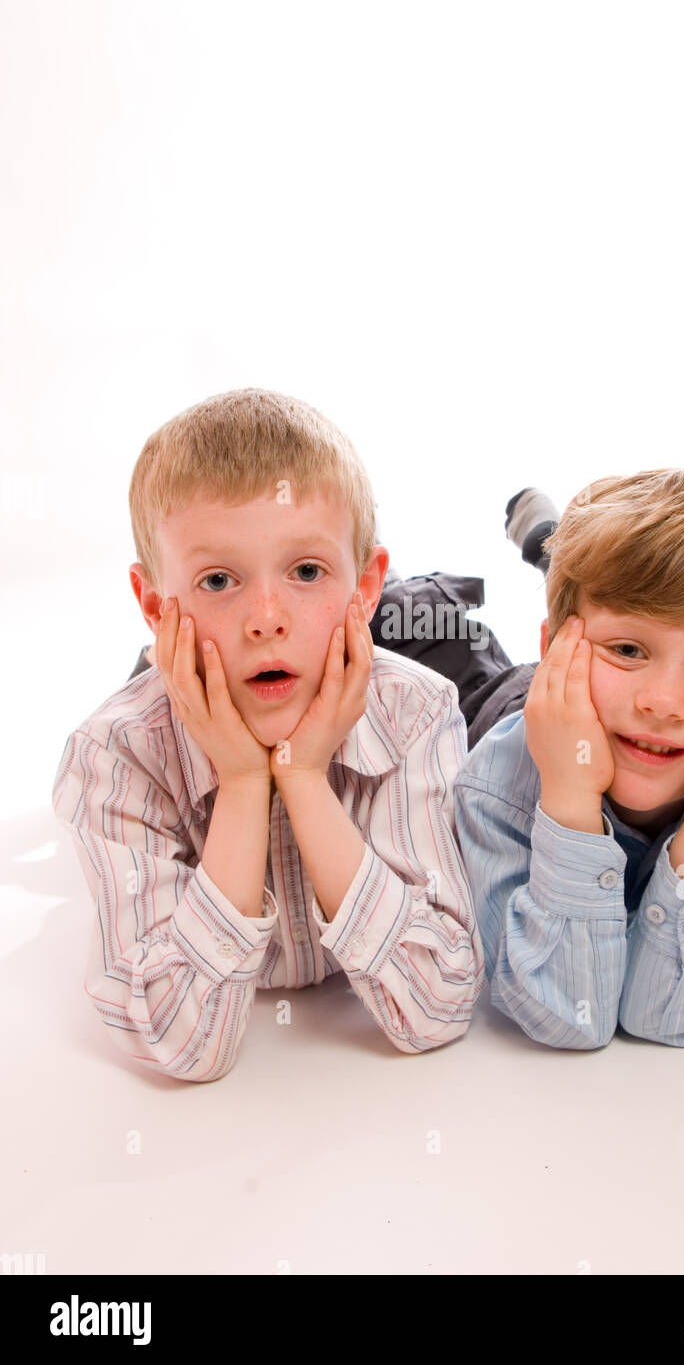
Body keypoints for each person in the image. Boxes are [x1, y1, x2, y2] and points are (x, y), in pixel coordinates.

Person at [52, 388, 485, 1081]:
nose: (265, 616)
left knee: (453, 637)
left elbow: (437, 1005)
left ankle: (480, 559)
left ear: (363, 585)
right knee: (203, 675)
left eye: (306, 570)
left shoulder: (420, 712)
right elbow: (181, 1044)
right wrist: (248, 780)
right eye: (218, 578)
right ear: (154, 608)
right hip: (224, 679)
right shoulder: (111, 757)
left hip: (388, 646)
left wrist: (306, 780)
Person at [452, 467, 684, 1049]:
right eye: (629, 648)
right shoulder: (495, 782)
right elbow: (565, 1015)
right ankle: (546, 539)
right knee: (449, 637)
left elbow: (670, 1016)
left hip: (604, 702)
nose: (664, 704)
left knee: (606, 602)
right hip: (535, 704)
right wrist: (570, 798)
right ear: (553, 647)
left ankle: (561, 549)